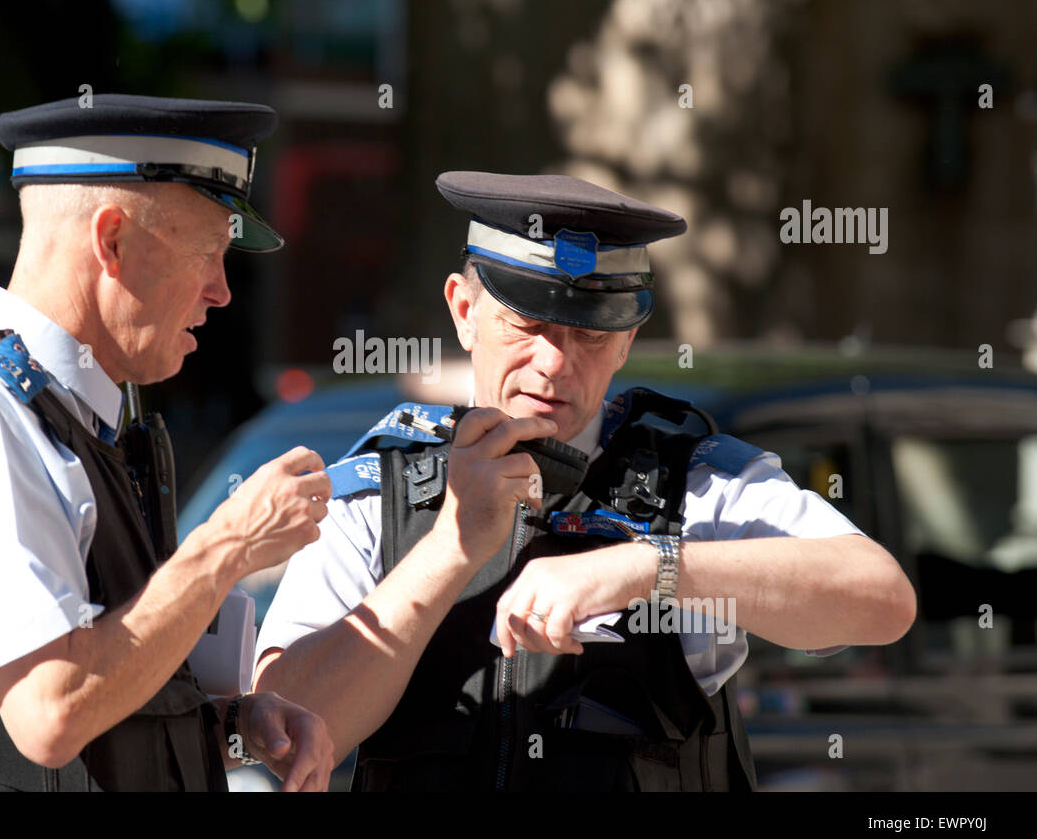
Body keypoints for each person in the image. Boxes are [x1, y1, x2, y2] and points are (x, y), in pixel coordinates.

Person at [253, 171, 917, 791]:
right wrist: (448, 550)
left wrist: (645, 567)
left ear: (628, 340)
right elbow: (284, 730)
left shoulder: (697, 483)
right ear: (463, 312)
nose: (553, 364)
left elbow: (883, 601)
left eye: (590, 336)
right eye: (527, 324)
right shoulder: (379, 494)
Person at [0, 94, 335, 792]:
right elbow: (52, 712)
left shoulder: (83, 420)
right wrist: (227, 547)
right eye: (208, 253)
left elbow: (105, 706)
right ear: (113, 242)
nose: (221, 292)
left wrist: (233, 729)